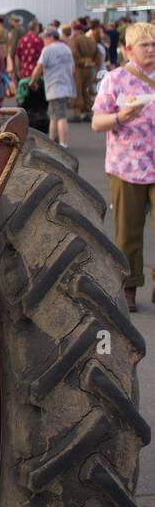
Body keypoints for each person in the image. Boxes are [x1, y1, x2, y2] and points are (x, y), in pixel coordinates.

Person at [90, 22, 155, 312]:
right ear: (128, 49)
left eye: (154, 45)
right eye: (145, 45)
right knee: (128, 232)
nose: (151, 50)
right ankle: (129, 288)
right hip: (126, 167)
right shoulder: (115, 80)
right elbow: (96, 123)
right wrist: (121, 117)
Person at [30, 27, 76, 148]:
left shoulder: (47, 50)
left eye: (44, 37)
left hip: (55, 87)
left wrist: (32, 81)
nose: (43, 40)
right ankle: (50, 142)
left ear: (50, 37)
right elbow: (73, 69)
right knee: (54, 115)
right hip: (66, 86)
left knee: (60, 116)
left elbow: (38, 68)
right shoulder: (66, 48)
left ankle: (63, 144)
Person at [70, 20, 101, 121]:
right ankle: (88, 112)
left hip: (79, 68)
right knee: (87, 90)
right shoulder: (91, 40)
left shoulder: (75, 40)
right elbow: (99, 55)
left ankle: (77, 114)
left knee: (77, 90)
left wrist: (81, 61)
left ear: (77, 31)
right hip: (90, 69)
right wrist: (94, 64)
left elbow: (73, 54)